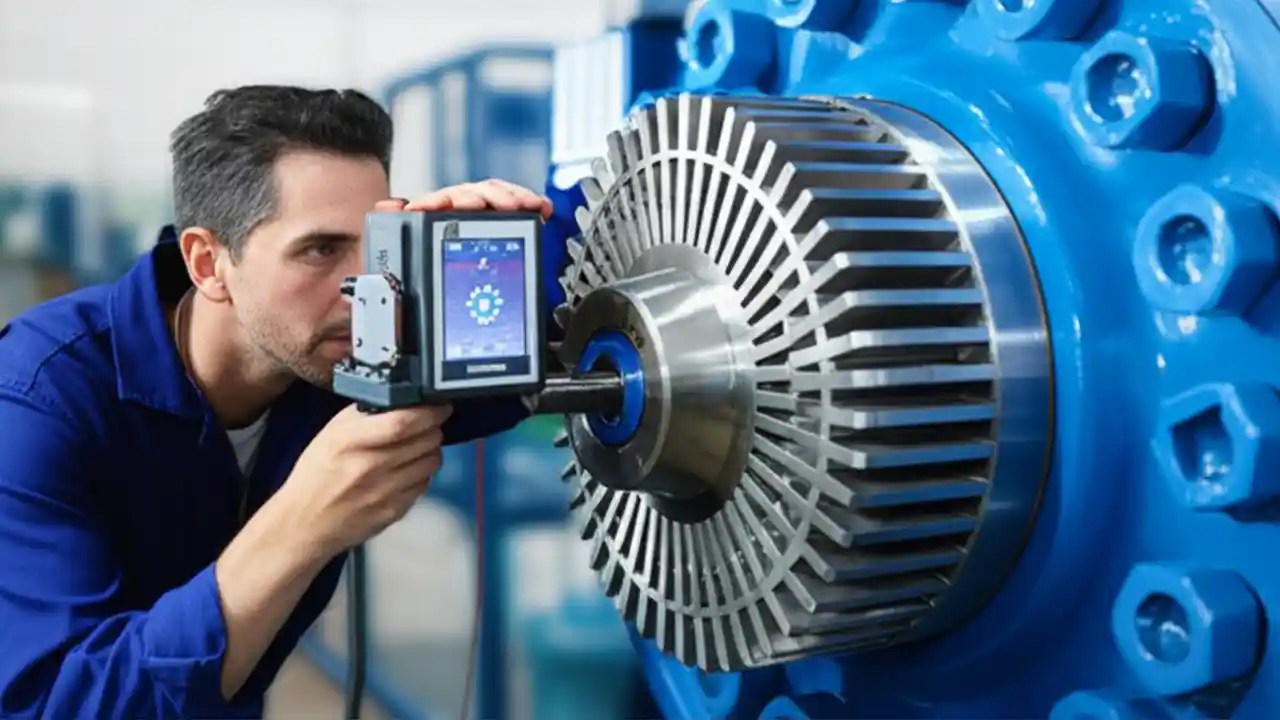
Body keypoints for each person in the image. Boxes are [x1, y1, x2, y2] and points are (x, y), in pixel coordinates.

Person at [0, 85, 553, 718]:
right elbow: (54, 703)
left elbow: (538, 356)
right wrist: (302, 522)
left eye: (376, 246)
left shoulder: (344, 356)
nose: (365, 288)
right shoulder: (39, 400)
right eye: (320, 250)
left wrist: (480, 259)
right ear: (209, 264)